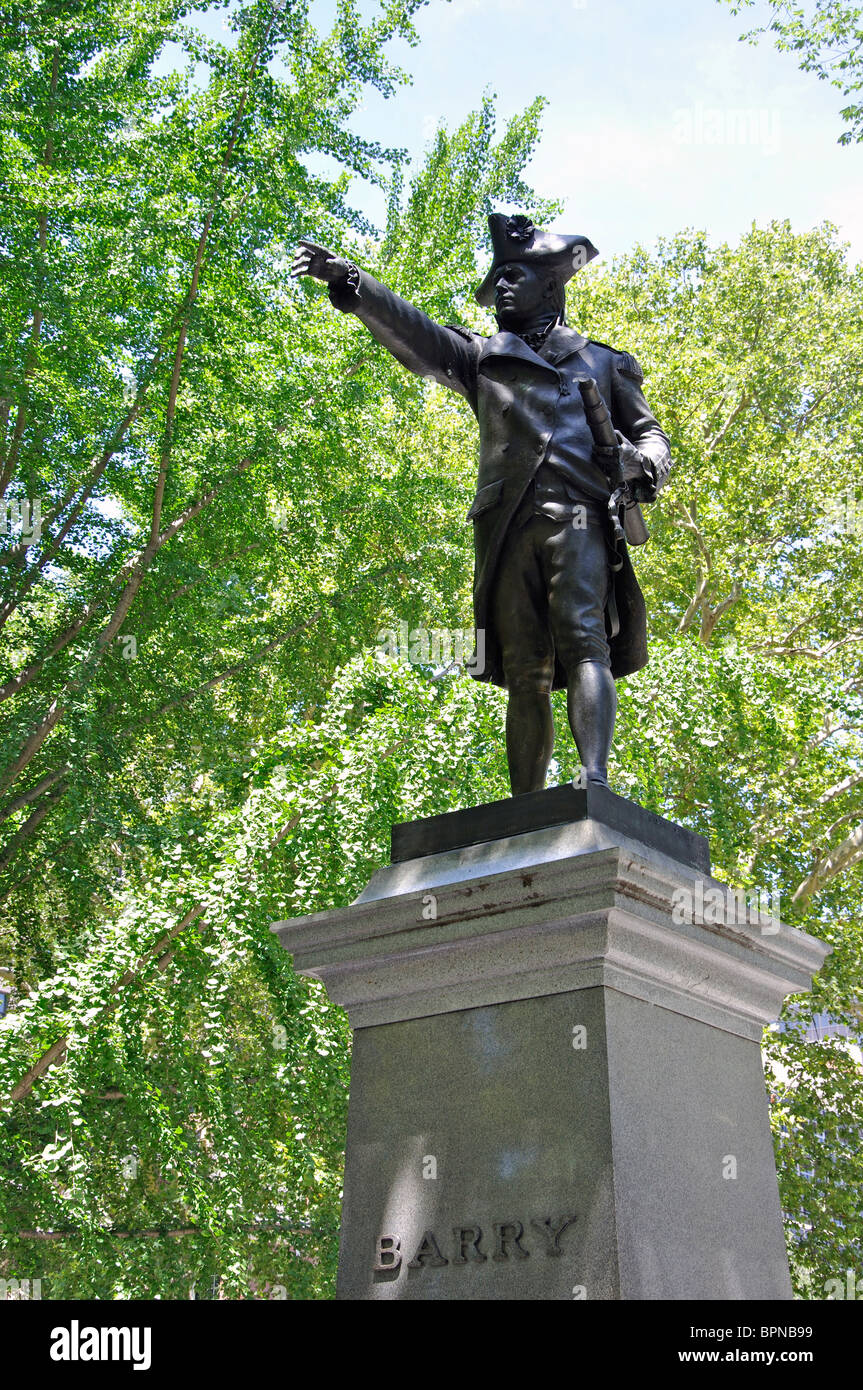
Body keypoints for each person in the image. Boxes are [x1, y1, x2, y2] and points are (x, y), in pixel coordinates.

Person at [292, 213, 673, 794]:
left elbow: (652, 437)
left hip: (579, 518)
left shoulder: (603, 361)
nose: (502, 287)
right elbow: (417, 336)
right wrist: (355, 284)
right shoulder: (482, 358)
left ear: (552, 286)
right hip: (504, 531)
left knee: (582, 639)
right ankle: (526, 806)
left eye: (515, 274)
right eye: (497, 278)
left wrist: (637, 462)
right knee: (525, 668)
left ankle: (593, 781)